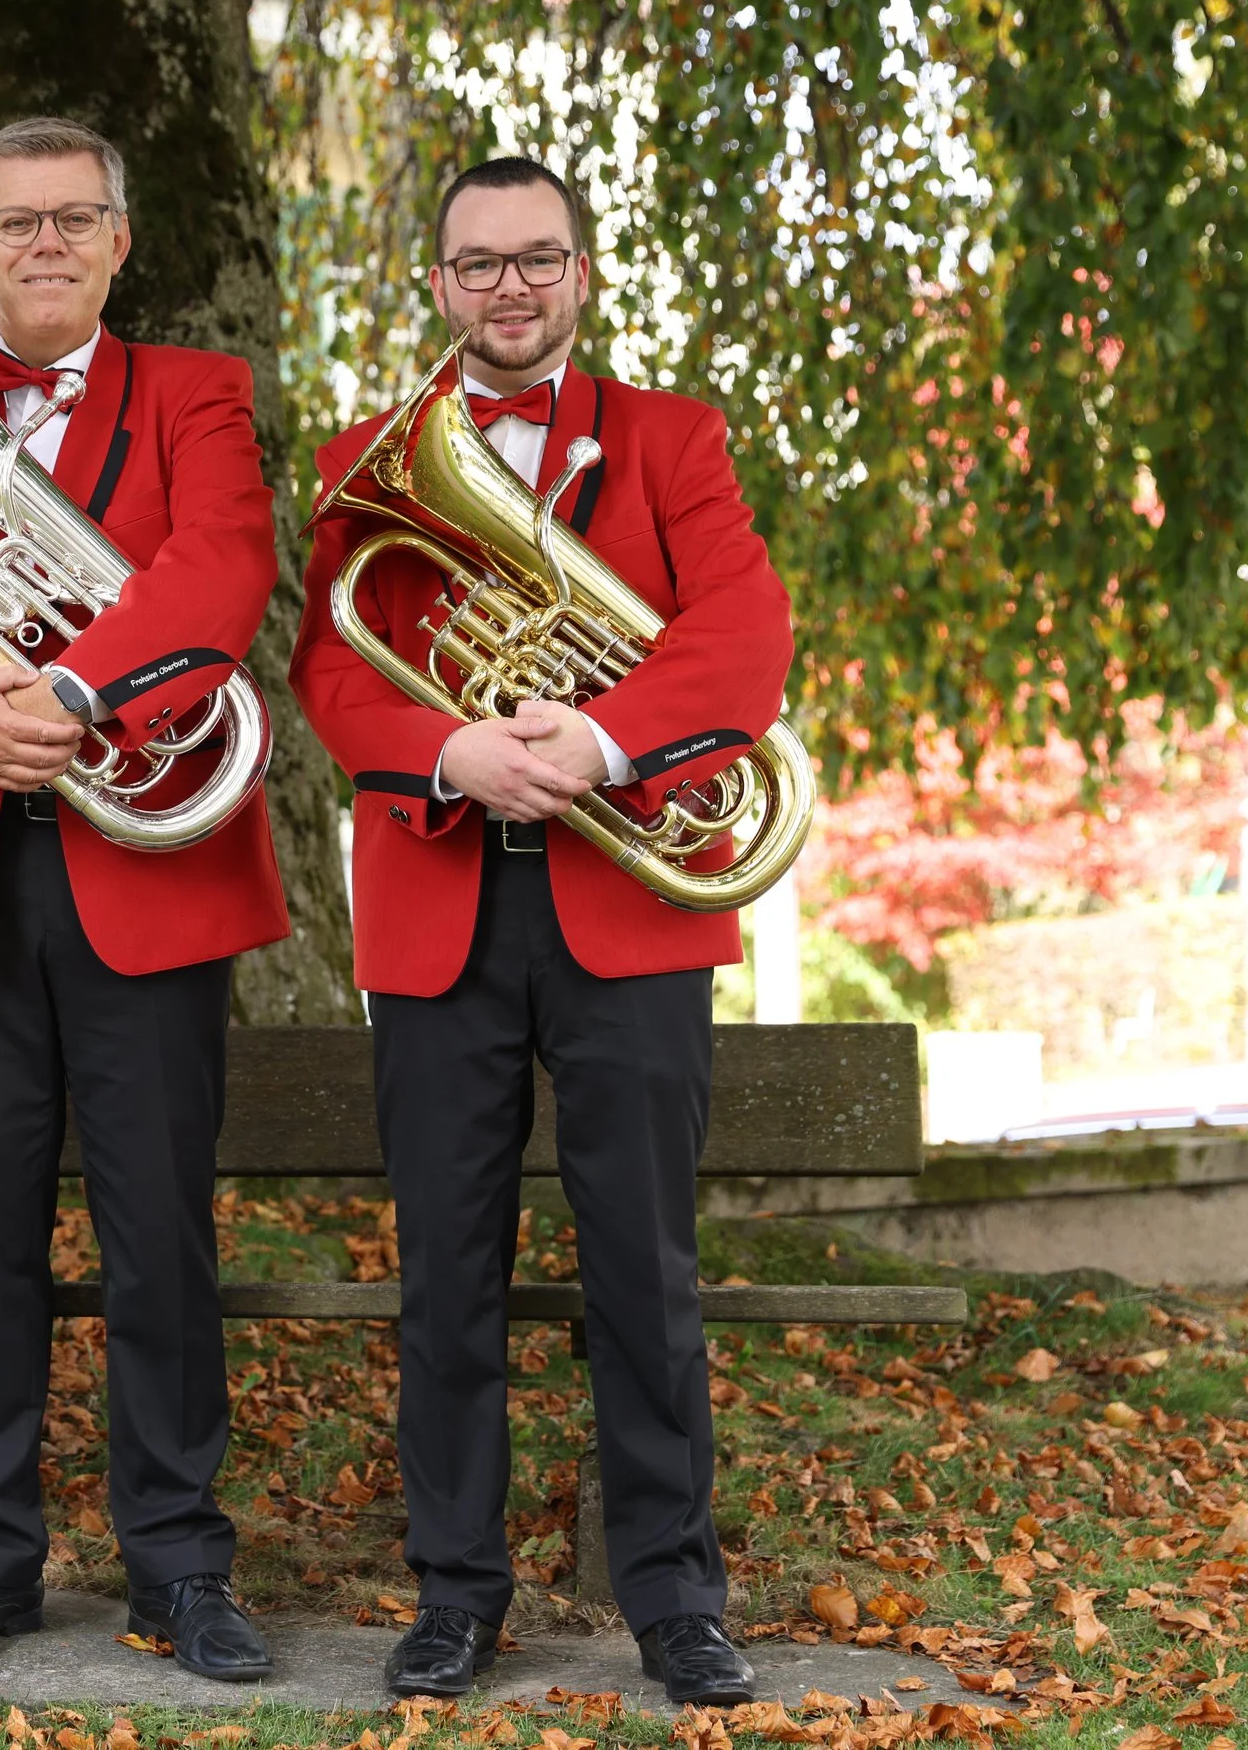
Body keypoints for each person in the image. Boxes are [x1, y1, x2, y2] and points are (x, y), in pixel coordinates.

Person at [289, 156, 795, 1709]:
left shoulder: (670, 440)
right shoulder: (368, 458)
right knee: (446, 1272)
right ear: (437, 283)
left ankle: (673, 1596)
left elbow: (743, 630)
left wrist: (601, 738)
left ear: (579, 272)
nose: (511, 288)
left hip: (628, 909)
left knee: (644, 1267)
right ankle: (454, 1593)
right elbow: (334, 667)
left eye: (540, 260)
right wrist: (452, 752)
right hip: (441, 907)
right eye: (480, 264)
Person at [0, 116, 289, 1683]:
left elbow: (218, 567)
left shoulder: (196, 396)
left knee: (161, 1237)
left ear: (121, 241)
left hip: (142, 861)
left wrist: (79, 692)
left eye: (74, 219)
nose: (44, 245)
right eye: (12, 224)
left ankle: (177, 1562)